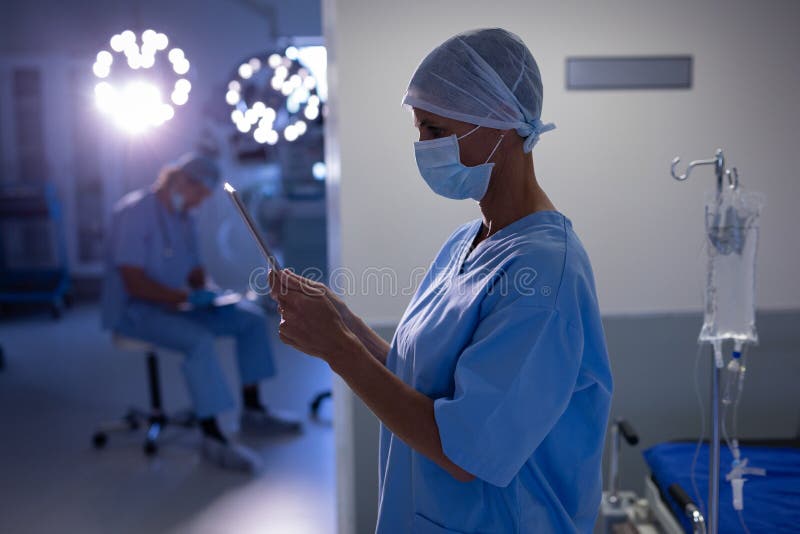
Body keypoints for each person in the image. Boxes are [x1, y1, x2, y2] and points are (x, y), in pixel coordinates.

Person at [269, 28, 612, 532]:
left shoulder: (544, 272)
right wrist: (346, 325)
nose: (422, 146)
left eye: (433, 129)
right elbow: (424, 382)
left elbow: (467, 453)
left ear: (497, 125)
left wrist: (338, 350)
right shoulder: (469, 241)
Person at [101, 152, 301, 472]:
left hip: (176, 304)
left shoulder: (184, 219)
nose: (200, 203)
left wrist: (210, 293)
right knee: (200, 340)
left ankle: (253, 411)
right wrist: (184, 296)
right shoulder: (134, 213)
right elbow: (134, 282)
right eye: (199, 195)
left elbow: (195, 271)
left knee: (249, 318)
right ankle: (212, 437)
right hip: (137, 312)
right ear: (181, 181)